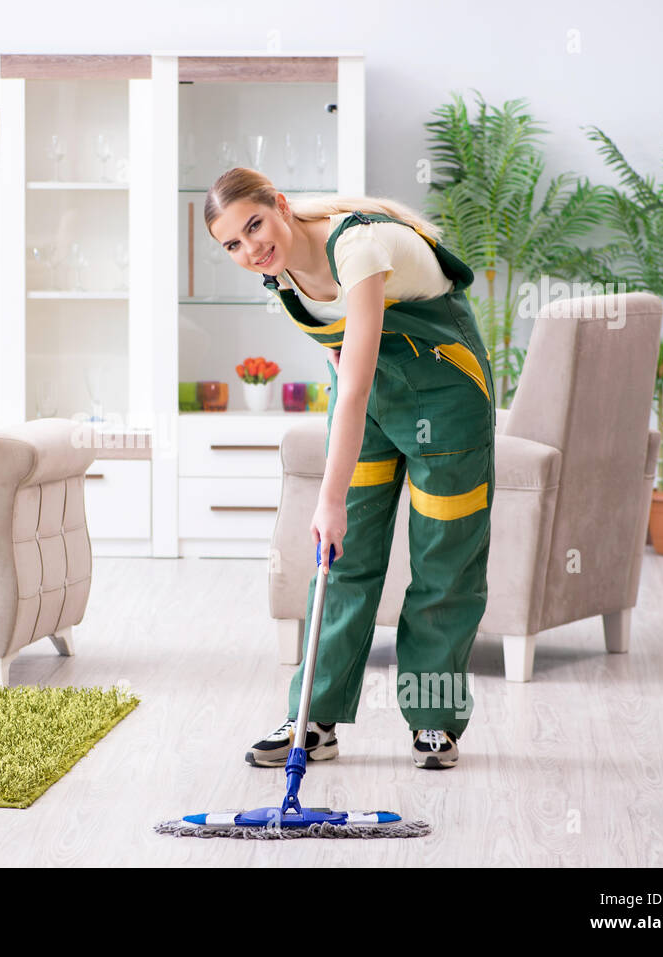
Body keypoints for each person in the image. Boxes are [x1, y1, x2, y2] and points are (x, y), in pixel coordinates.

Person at [205, 168, 496, 770]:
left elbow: (356, 383)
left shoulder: (356, 249)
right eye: (232, 243)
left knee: (444, 561)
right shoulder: (279, 276)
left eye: (255, 226)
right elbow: (339, 358)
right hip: (367, 400)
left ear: (280, 206)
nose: (251, 248)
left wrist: (329, 497)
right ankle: (312, 718)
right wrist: (337, 506)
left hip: (445, 398)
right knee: (339, 559)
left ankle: (434, 721)